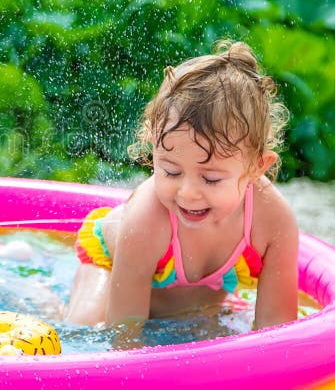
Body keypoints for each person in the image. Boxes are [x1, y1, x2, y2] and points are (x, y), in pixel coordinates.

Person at [64, 41, 298, 332]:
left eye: (211, 179)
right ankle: (49, 304)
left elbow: (278, 329)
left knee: (202, 328)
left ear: (257, 167)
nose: (187, 192)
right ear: (153, 146)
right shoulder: (146, 220)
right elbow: (123, 335)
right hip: (112, 273)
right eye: (171, 171)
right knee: (85, 329)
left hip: (191, 298)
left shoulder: (273, 222)